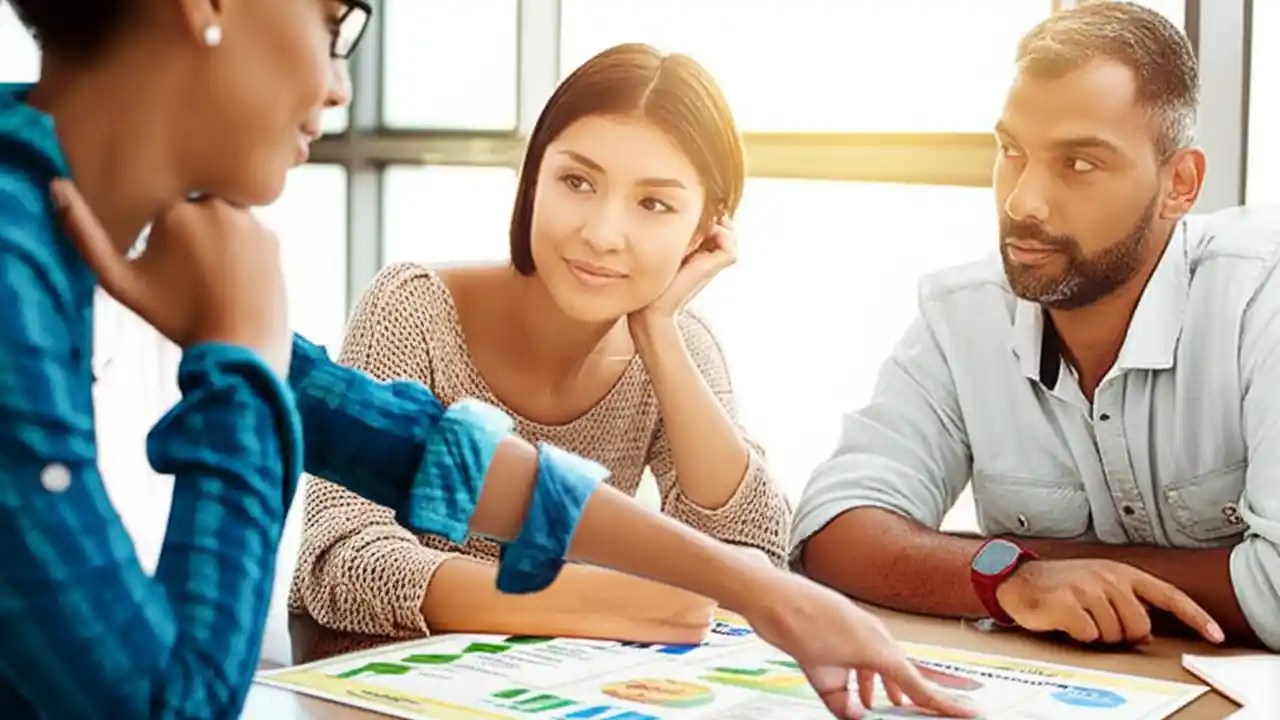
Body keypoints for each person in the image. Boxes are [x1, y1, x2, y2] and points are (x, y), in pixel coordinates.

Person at [0, 1, 974, 718]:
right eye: (336, 22)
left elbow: (426, 453)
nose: (339, 85)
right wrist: (243, 370)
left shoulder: (102, 233)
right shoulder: (9, 266)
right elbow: (166, 707)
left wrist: (769, 594)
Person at [792, 0, 1280, 652]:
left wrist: (1007, 563)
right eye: (1012, 152)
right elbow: (833, 528)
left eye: (1078, 163)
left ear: (1179, 185)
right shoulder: (962, 314)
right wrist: (1016, 581)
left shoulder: (1261, 299)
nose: (1024, 201)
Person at [288, 43, 791, 657]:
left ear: (706, 225)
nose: (603, 234)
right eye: (577, 181)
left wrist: (659, 333)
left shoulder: (681, 347)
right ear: (534, 176)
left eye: (654, 204)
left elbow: (751, 560)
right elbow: (340, 561)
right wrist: (608, 601)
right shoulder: (415, 309)